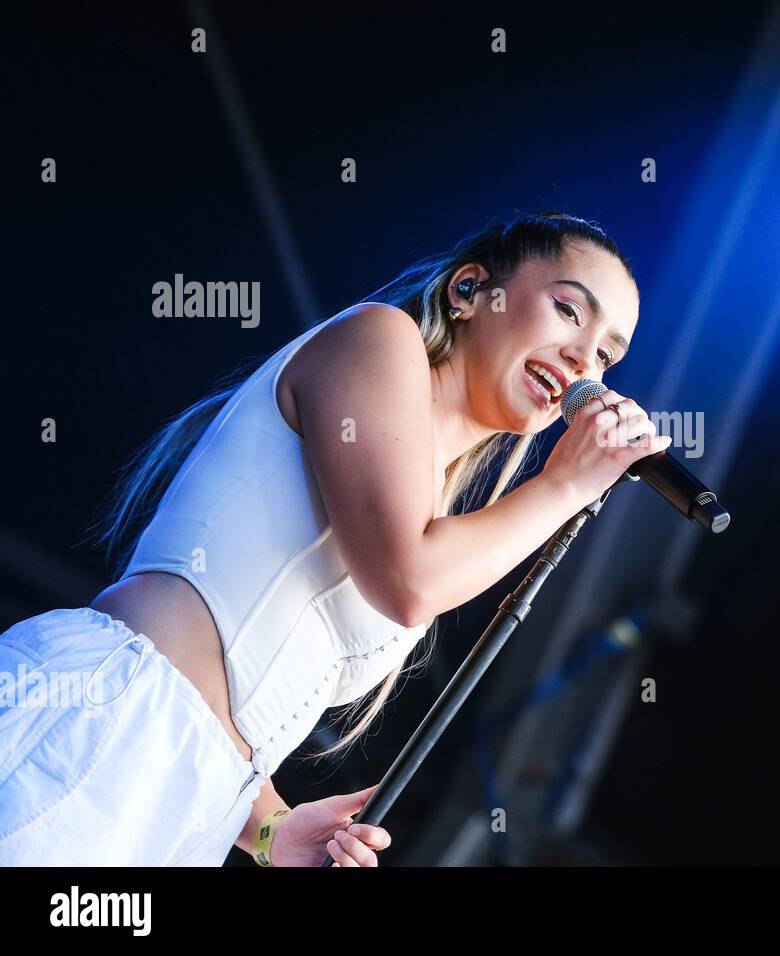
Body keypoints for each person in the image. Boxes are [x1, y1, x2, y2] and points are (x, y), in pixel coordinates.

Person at [0, 211, 670, 866]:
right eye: (570, 311)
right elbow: (409, 582)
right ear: (469, 291)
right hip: (100, 719)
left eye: (609, 355)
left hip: (188, 812)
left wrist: (270, 832)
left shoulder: (433, 504)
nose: (587, 361)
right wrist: (566, 486)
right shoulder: (377, 338)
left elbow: (226, 702)